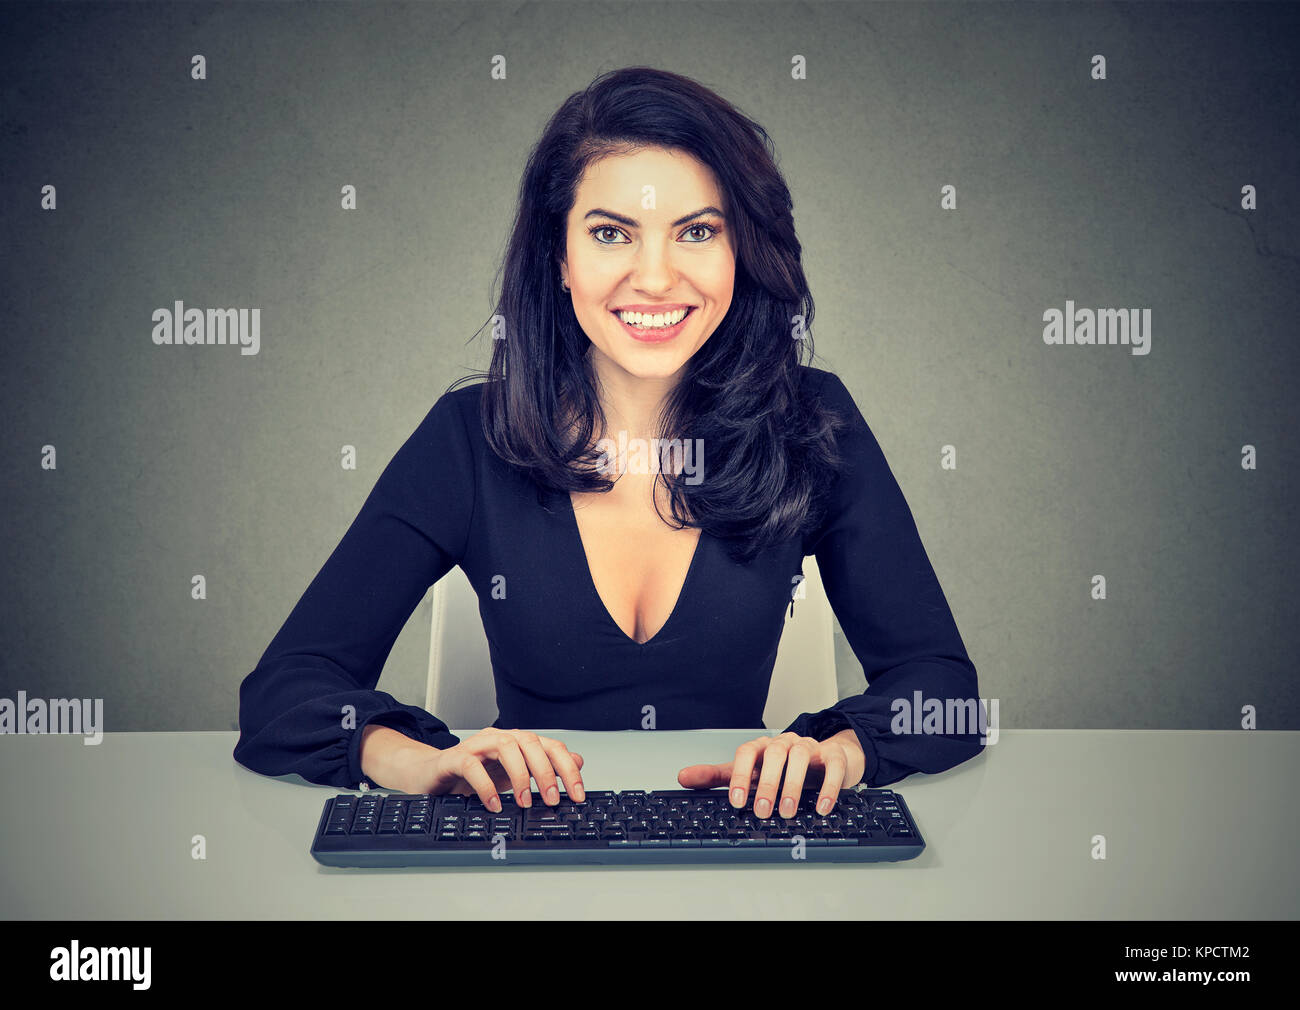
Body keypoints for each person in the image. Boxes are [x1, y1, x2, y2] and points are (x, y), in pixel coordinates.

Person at [234, 66, 983, 821]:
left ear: (740, 251)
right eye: (609, 233)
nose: (654, 278)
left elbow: (942, 690)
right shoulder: (468, 437)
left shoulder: (814, 419)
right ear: (559, 259)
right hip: (518, 850)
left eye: (696, 231)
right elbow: (285, 691)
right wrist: (424, 764)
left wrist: (836, 753)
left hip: (744, 855)